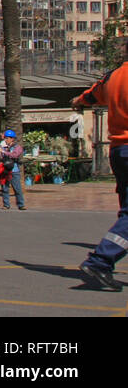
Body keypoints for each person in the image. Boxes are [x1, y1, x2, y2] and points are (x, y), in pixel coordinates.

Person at [72, 54, 127, 291]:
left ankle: (102, 260)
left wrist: (78, 100)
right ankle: (101, 260)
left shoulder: (114, 76)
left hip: (119, 151)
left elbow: (92, 95)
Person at [0, 130, 26, 211]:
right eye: (5, 138)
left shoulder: (17, 147)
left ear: (12, 139)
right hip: (5, 170)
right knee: (5, 188)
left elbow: (15, 155)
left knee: (17, 188)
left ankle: (21, 204)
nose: (6, 140)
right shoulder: (3, 147)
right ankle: (6, 204)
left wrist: (4, 152)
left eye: (8, 138)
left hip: (14, 170)